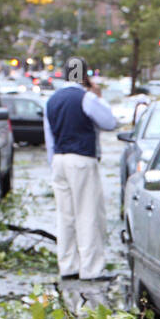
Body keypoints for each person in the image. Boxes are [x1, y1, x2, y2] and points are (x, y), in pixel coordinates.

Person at [44, 57, 117, 281]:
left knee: (65, 215)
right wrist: (98, 96)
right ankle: (91, 269)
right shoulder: (86, 98)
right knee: (87, 212)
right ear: (85, 75)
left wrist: (53, 161)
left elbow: (49, 137)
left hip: (59, 159)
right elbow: (110, 122)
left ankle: (67, 265)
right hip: (82, 158)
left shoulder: (51, 100)